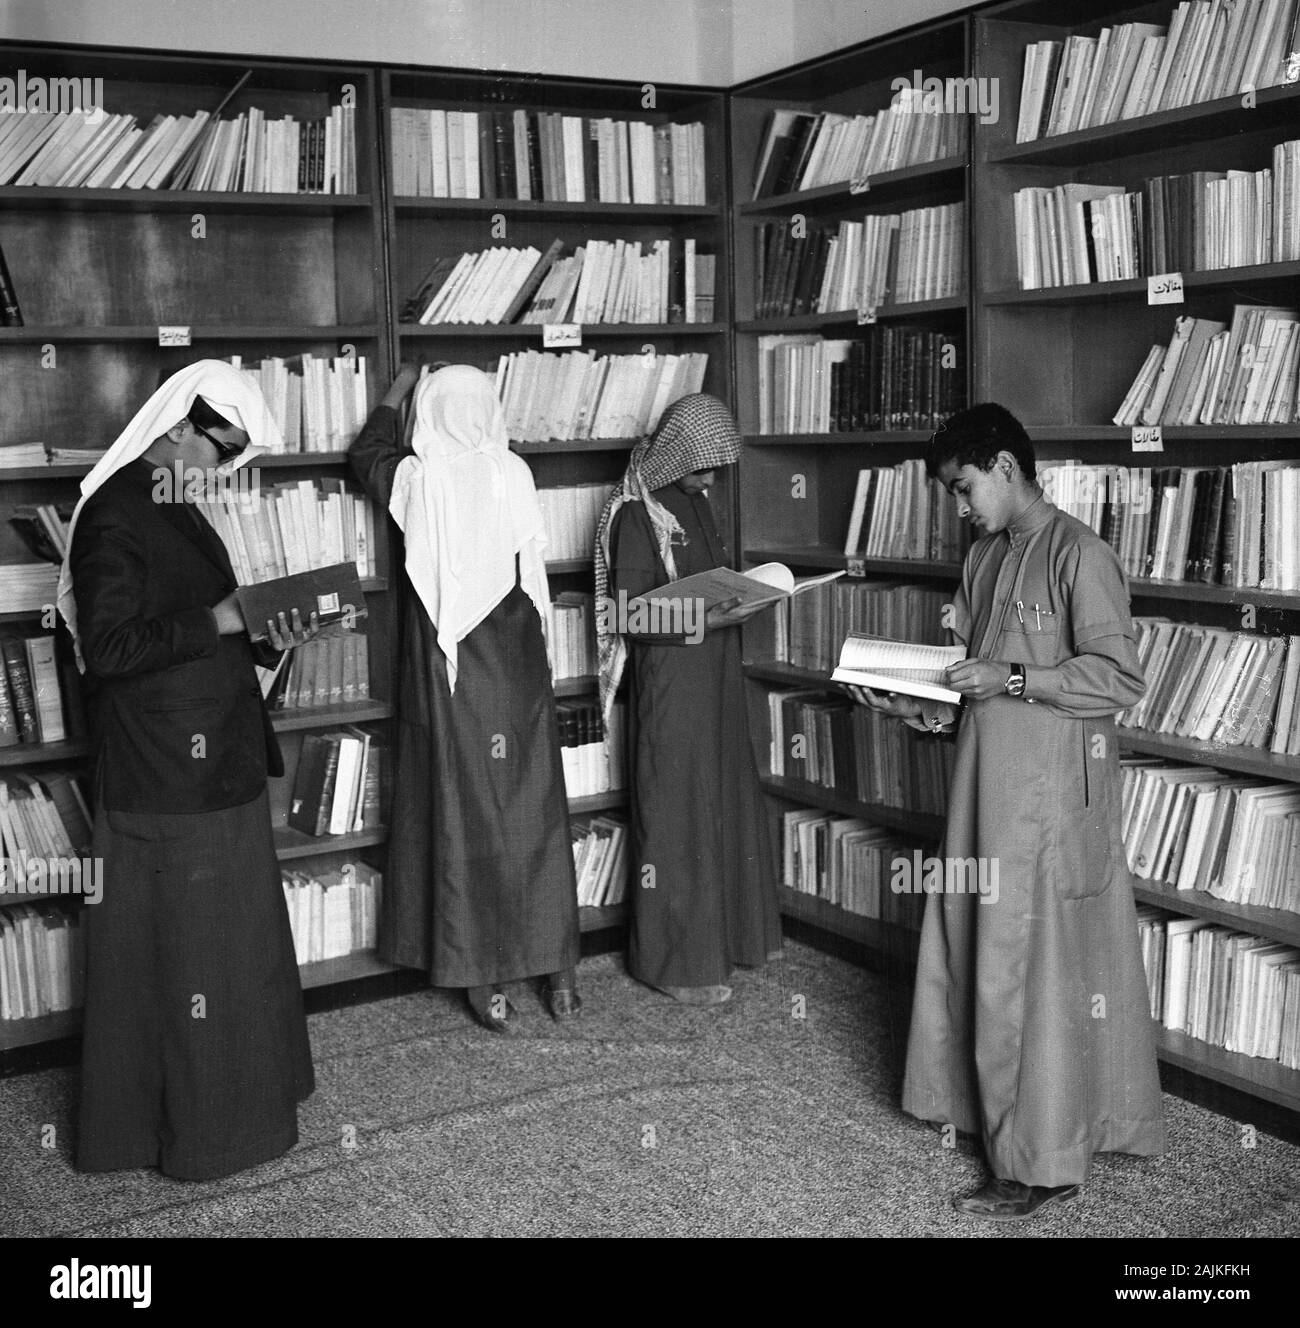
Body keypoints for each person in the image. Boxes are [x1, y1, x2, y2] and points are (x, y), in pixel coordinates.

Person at [847, 402, 1165, 1221]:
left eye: (962, 489)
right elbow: (974, 684)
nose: (959, 508)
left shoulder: (1080, 554)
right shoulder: (986, 558)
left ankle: (1041, 1162)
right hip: (982, 789)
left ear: (1004, 468)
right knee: (980, 952)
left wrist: (1018, 680)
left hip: (1052, 800)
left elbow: (1121, 680)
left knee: (1035, 971)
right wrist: (913, 705)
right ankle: (993, 1126)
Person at [59, 359, 317, 1181]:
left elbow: (215, 625)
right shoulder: (113, 514)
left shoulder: (177, 504)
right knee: (187, 957)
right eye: (221, 449)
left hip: (215, 755)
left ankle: (249, 1112)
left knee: (236, 951)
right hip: (166, 771)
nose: (225, 469)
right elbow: (109, 650)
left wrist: (273, 632)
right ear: (176, 428)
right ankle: (196, 1137)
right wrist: (223, 617)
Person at [348, 362, 581, 1031]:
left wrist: (396, 393)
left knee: (467, 815)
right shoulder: (515, 471)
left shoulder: (421, 478)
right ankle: (558, 972)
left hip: (452, 671)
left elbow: (365, 454)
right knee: (535, 814)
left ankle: (487, 976)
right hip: (521, 662)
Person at [596, 393, 781, 1005]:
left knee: (721, 797)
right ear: (677, 457)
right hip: (674, 683)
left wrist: (744, 600)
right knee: (678, 814)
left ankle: (728, 941)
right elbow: (627, 613)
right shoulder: (634, 516)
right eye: (702, 467)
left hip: (717, 676)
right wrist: (713, 613)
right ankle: (674, 963)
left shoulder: (695, 502)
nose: (709, 480)